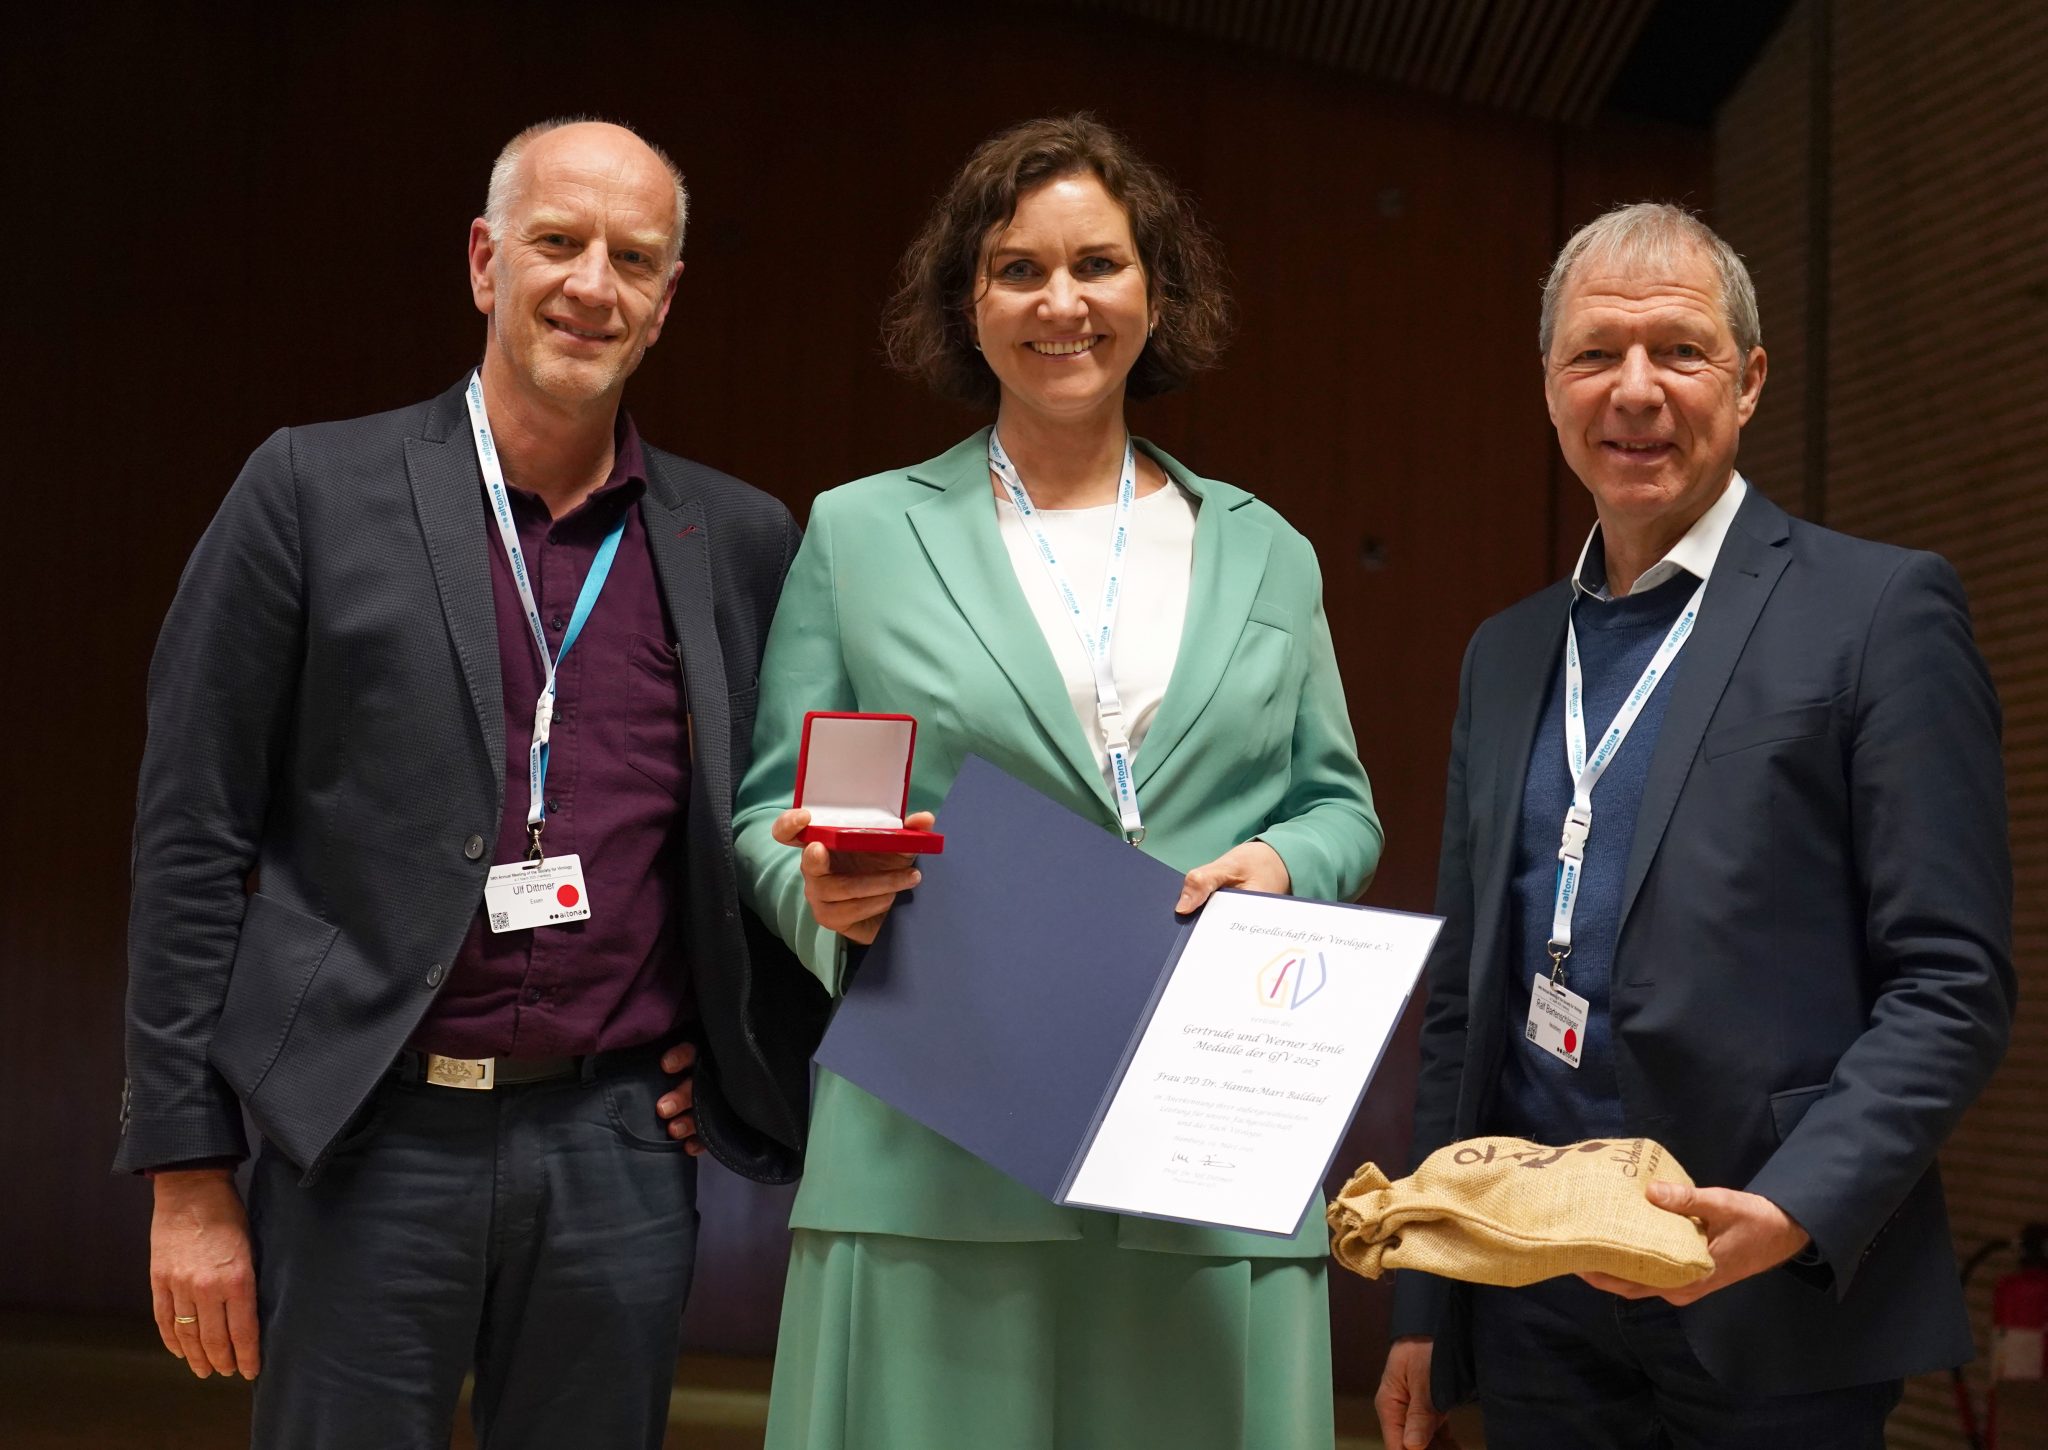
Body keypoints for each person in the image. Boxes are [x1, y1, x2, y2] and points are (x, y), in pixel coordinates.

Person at [117, 117, 827, 1449]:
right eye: (558, 242)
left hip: (618, 1145)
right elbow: (192, 834)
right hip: (363, 1144)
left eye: (633, 257)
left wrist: (742, 1062)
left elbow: (770, 825)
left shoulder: (734, 539)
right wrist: (188, 1174)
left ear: (666, 302)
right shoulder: (309, 491)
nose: (590, 282)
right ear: (484, 261)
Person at [721, 113, 1380, 1449]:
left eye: (1098, 263)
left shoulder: (1270, 553)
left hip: (1200, 1131)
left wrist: (1286, 866)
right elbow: (771, 805)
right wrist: (819, 892)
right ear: (969, 303)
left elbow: (1337, 802)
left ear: (1157, 291)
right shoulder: (860, 534)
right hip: (934, 1141)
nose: (1061, 301)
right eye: (1019, 269)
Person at [1375, 202, 2013, 1450]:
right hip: (1534, 1299)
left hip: (1764, 1285)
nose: (1634, 391)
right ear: (1548, 386)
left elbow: (1952, 982)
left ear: (1751, 379)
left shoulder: (1876, 610)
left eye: (1677, 350)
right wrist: (1427, 1288)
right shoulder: (1504, 656)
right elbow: (1467, 1000)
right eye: (1593, 355)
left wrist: (1789, 1210)